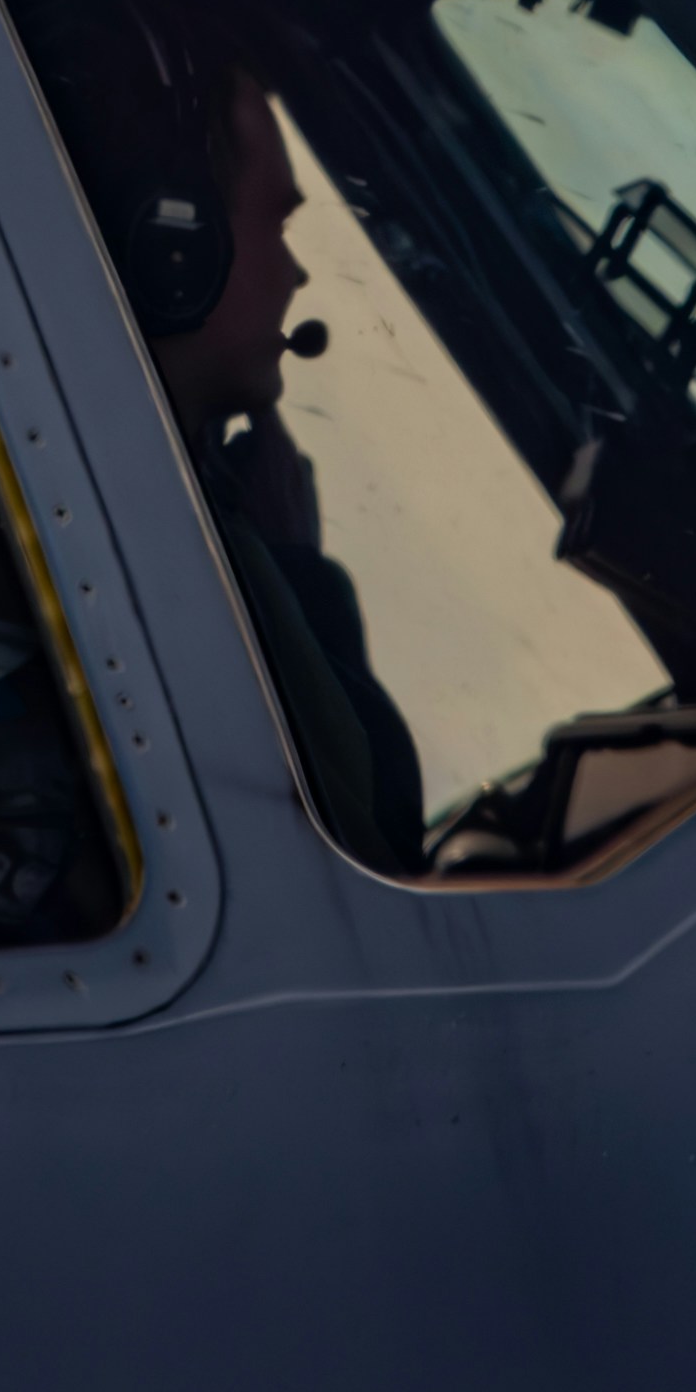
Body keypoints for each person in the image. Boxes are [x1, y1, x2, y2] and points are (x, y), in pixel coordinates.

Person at [112, 58, 430, 876]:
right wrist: (299, 578)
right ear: (175, 247)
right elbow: (373, 847)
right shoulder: (141, 561)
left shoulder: (120, 518)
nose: (296, 274)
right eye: (275, 227)